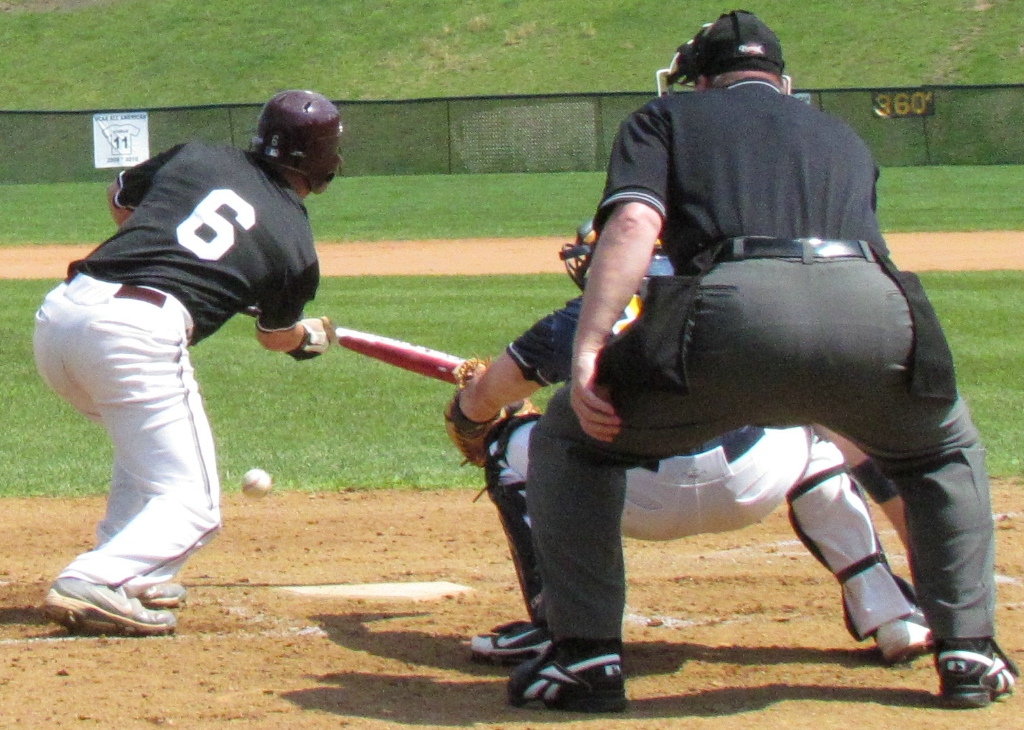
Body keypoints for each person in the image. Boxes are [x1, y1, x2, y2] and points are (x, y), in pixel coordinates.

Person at [510, 11, 1017, 712]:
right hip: (877, 305)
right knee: (941, 450)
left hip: (733, 309)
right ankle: (969, 651)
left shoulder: (664, 117)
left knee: (572, 438)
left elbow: (632, 224)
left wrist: (591, 345)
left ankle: (587, 658)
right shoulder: (840, 132)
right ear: (782, 79)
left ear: (702, 80)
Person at [448, 227, 930, 667]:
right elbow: (864, 451)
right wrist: (926, 556)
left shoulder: (579, 319)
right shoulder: (747, 307)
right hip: (753, 483)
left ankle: (556, 623)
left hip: (631, 495)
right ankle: (893, 616)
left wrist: (472, 406)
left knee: (510, 445)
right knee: (815, 429)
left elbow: (479, 408)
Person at [33, 89, 343, 637]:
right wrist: (308, 339)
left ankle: (133, 572)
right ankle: (93, 579)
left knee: (145, 453)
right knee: (194, 507)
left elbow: (121, 198)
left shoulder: (201, 154)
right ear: (321, 160)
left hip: (60, 317)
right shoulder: (296, 242)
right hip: (133, 336)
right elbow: (275, 337)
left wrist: (167, 258)